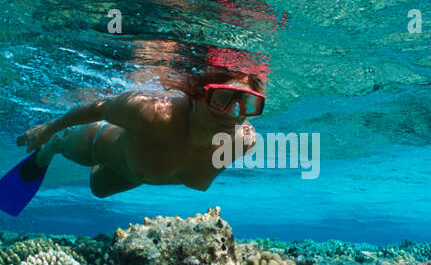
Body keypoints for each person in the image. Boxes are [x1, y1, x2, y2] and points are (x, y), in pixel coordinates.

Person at [15, 66, 266, 198]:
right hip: (99, 142)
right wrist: (48, 129)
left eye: (248, 103)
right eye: (222, 98)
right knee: (63, 146)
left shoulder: (243, 141)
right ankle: (48, 150)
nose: (233, 113)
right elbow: (97, 108)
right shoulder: (151, 113)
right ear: (197, 95)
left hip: (134, 173)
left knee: (99, 191)